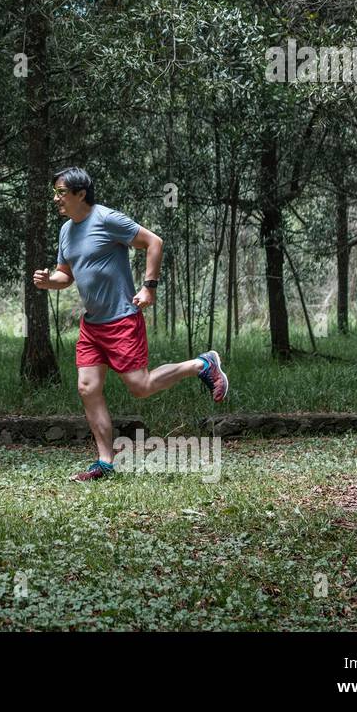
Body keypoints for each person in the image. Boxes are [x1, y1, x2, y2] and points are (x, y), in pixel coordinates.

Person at [33, 167, 229, 482]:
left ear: (80, 194)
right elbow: (65, 275)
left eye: (60, 192)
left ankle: (201, 364)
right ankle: (105, 462)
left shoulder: (107, 219)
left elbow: (154, 242)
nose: (55, 198)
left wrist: (148, 287)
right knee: (87, 387)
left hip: (122, 320)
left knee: (140, 387)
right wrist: (47, 281)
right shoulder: (66, 231)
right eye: (54, 192)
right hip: (93, 326)